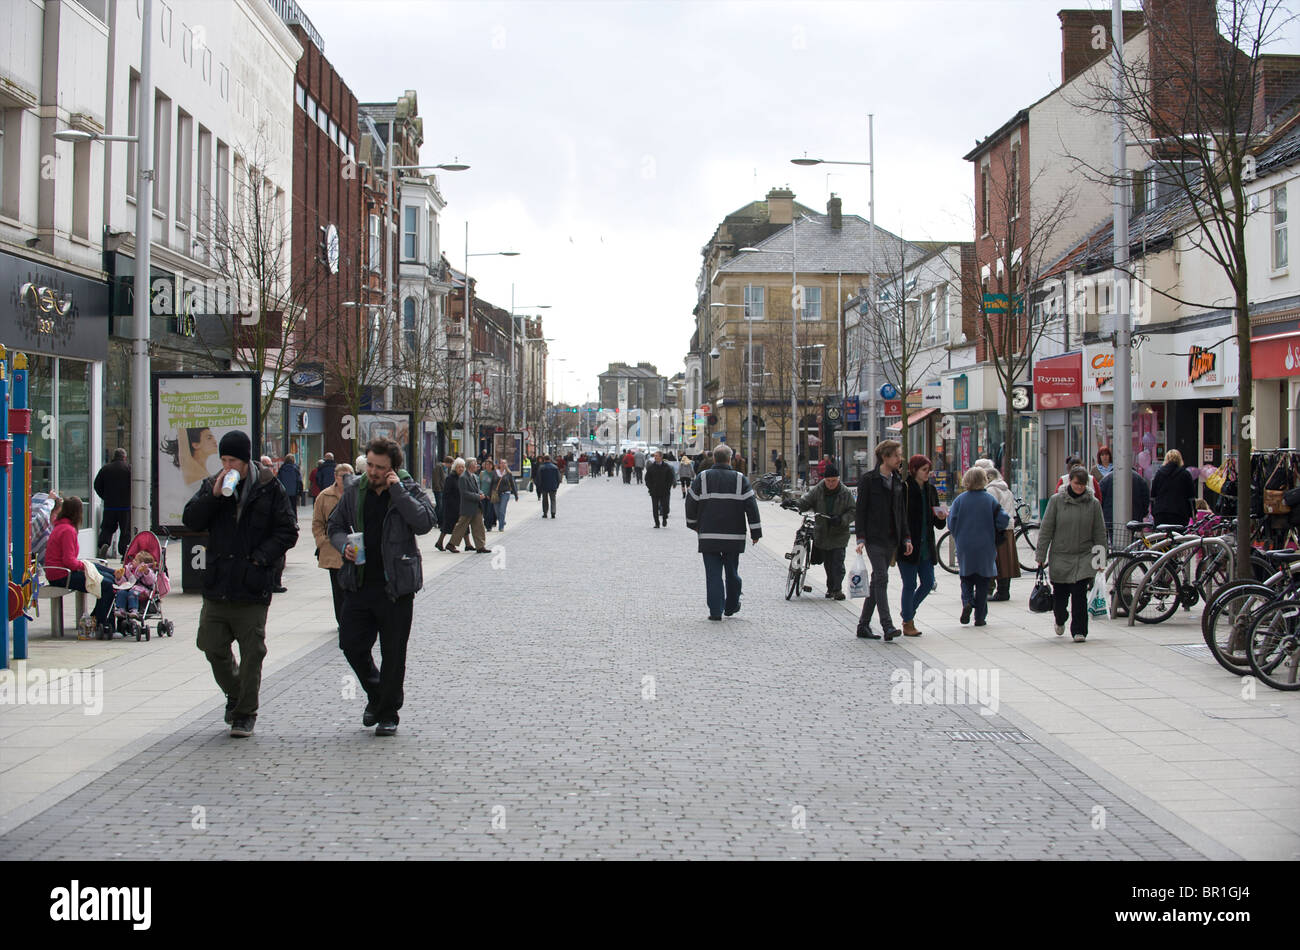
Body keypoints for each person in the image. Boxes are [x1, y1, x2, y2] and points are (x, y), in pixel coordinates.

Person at [182, 430, 299, 738]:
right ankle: (235, 694)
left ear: (246, 459)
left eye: (232, 459)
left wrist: (260, 560)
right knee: (210, 645)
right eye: (222, 459)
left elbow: (288, 531)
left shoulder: (269, 488)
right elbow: (191, 520)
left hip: (251, 586)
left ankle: (244, 713)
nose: (227, 464)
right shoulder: (213, 485)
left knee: (252, 653)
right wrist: (213, 496)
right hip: (219, 582)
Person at [328, 438, 437, 736]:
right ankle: (377, 694)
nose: (373, 472)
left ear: (393, 469)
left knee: (393, 653)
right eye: (370, 465)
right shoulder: (354, 491)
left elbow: (425, 522)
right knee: (350, 643)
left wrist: (397, 492)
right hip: (359, 583)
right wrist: (342, 547)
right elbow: (334, 527)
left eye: (380, 468)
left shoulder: (407, 488)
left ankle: (388, 713)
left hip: (396, 587)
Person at [685, 443, 762, 621]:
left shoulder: (702, 478)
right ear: (729, 459)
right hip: (733, 536)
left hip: (709, 535)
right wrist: (755, 532)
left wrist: (693, 524)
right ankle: (732, 604)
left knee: (713, 574)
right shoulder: (739, 479)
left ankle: (715, 611)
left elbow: (690, 502)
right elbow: (751, 506)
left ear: (714, 459)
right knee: (732, 572)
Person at [1037, 466, 1107, 642]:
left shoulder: (1093, 504)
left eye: (1083, 485)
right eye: (1077, 484)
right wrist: (1040, 556)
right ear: (1070, 481)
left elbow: (1099, 532)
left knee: (1079, 595)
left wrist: (1100, 558)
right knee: (1060, 598)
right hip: (1060, 556)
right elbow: (1046, 530)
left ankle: (1079, 630)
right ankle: (1060, 618)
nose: (1080, 487)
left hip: (1083, 556)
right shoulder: (1056, 501)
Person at [854, 439, 912, 641]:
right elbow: (860, 510)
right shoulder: (869, 480)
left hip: (891, 539)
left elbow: (901, 512)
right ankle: (887, 625)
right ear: (885, 457)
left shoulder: (898, 481)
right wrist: (860, 538)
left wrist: (906, 537)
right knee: (882, 577)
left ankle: (863, 625)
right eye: (896, 455)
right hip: (874, 538)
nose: (899, 459)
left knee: (878, 580)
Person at [44, 495, 115, 636]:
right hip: (62, 575)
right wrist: (85, 566)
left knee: (106, 574)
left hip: (58, 572)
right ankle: (99, 621)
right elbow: (69, 561)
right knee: (107, 585)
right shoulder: (68, 531)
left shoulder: (60, 526)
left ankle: (115, 575)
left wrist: (86, 566)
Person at [946, 466, 1008, 627]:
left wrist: (958, 533)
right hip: (985, 545)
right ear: (984, 481)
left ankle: (967, 601)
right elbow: (1003, 519)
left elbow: (951, 523)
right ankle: (980, 617)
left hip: (965, 545)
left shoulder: (960, 500)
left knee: (966, 578)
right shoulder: (989, 500)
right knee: (982, 582)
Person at [897, 455, 947, 635]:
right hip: (908, 545)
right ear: (914, 470)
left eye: (929, 470)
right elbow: (900, 518)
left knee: (927, 583)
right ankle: (908, 622)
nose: (928, 474)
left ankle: (908, 611)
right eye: (924, 470)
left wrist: (941, 518)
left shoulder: (931, 490)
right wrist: (904, 539)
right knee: (909, 584)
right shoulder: (905, 489)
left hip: (926, 546)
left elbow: (937, 522)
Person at [796, 463, 855, 599]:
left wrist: (841, 519)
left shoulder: (845, 492)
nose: (830, 484)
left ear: (838, 479)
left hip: (839, 533)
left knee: (838, 562)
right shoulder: (819, 489)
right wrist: (795, 504)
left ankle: (837, 589)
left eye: (833, 481)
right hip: (822, 532)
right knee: (828, 563)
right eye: (828, 481)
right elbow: (806, 501)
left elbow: (853, 511)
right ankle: (831, 588)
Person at [312, 462, 354, 630]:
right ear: (335, 477)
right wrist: (321, 540)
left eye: (348, 475)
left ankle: (352, 619)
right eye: (342, 476)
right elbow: (317, 522)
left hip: (353, 548)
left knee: (352, 588)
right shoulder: (325, 496)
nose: (345, 479)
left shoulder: (356, 493)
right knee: (338, 590)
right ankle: (342, 622)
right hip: (332, 550)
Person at [975, 458, 1020, 601]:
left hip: (997, 529)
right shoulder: (1005, 488)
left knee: (996, 561)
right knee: (1006, 561)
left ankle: (998, 591)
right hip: (1008, 528)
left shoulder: (991, 490)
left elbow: (989, 510)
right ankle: (1004, 591)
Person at [93, 448, 132, 559]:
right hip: (125, 507)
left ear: (114, 456)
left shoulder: (105, 469)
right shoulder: (129, 469)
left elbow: (97, 485)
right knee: (125, 531)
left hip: (110, 506)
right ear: (124, 457)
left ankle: (104, 544)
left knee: (107, 528)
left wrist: (105, 497)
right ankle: (124, 552)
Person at [448, 458, 490, 553]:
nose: (477, 466)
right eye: (475, 464)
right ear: (470, 466)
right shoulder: (463, 477)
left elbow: (477, 489)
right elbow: (464, 493)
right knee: (461, 526)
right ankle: (451, 544)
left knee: (479, 526)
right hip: (468, 506)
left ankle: (480, 546)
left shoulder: (474, 476)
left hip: (476, 506)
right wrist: (477, 497)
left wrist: (481, 494)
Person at [1100, 465, 1151, 542]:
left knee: (1115, 542)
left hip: (1111, 520)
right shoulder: (1139, 479)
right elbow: (1146, 499)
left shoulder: (1106, 479)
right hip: (1135, 517)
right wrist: (1142, 513)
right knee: (1134, 543)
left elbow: (1100, 499)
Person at [1150, 449, 1196, 528]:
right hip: (1180, 513)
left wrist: (1154, 512)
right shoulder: (1185, 474)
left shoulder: (1159, 474)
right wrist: (1193, 514)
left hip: (1161, 513)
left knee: (1161, 537)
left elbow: (1153, 495)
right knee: (1178, 537)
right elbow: (1191, 497)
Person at [111, 550, 157, 619]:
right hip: (129, 587)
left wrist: (146, 572)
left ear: (141, 564)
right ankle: (120, 609)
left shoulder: (145, 571)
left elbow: (151, 581)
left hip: (142, 590)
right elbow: (126, 581)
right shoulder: (129, 569)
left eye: (136, 560)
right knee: (121, 592)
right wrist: (119, 578)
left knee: (133, 593)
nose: (133, 561)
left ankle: (134, 609)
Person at [435, 459, 463, 551]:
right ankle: (445, 543)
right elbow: (446, 493)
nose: (461, 469)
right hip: (451, 506)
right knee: (449, 526)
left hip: (458, 505)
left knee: (459, 525)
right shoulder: (450, 478)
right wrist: (448, 505)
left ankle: (467, 544)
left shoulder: (460, 478)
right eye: (459, 467)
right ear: (455, 467)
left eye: (463, 467)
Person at [31, 490, 62, 567]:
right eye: (56, 514)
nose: (57, 518)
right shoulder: (35, 524)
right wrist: (50, 501)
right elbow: (42, 519)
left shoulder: (45, 532)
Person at [645, 450, 675, 527]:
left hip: (664, 491)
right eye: (654, 456)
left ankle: (664, 518)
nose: (655, 457)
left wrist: (667, 487)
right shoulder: (651, 467)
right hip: (654, 491)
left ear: (661, 457)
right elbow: (647, 478)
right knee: (655, 508)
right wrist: (650, 487)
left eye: (656, 456)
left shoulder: (667, 467)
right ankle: (657, 523)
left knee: (665, 507)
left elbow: (670, 478)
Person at [490, 458, 519, 530]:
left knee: (502, 510)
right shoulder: (495, 472)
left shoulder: (508, 473)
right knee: (496, 511)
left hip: (505, 493)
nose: (503, 464)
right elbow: (491, 484)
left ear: (506, 465)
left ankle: (501, 527)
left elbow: (512, 484)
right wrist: (489, 494)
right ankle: (502, 521)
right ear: (499, 464)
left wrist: (516, 495)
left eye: (504, 463)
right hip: (496, 494)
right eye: (501, 463)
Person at [535, 454, 561, 518]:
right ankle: (553, 512)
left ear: (544, 460)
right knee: (553, 500)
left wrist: (539, 486)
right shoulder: (555, 467)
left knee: (545, 500)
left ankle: (545, 513)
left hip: (544, 486)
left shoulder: (541, 468)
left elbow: (539, 478)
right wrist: (557, 485)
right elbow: (559, 478)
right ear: (550, 459)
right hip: (553, 486)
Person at [479, 457, 497, 531]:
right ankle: (486, 523)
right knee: (484, 511)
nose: (488, 466)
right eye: (486, 464)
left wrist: (490, 494)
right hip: (483, 495)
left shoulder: (494, 474)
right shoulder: (482, 473)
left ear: (492, 465)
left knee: (489, 511)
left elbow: (494, 485)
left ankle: (488, 526)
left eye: (489, 464)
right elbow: (479, 484)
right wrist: (480, 493)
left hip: (490, 495)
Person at [429, 455, 448, 525]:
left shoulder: (444, 468)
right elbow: (436, 479)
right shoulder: (439, 467)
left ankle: (438, 520)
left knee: (440, 505)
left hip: (441, 489)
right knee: (439, 505)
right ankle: (435, 519)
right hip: (438, 490)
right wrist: (438, 488)